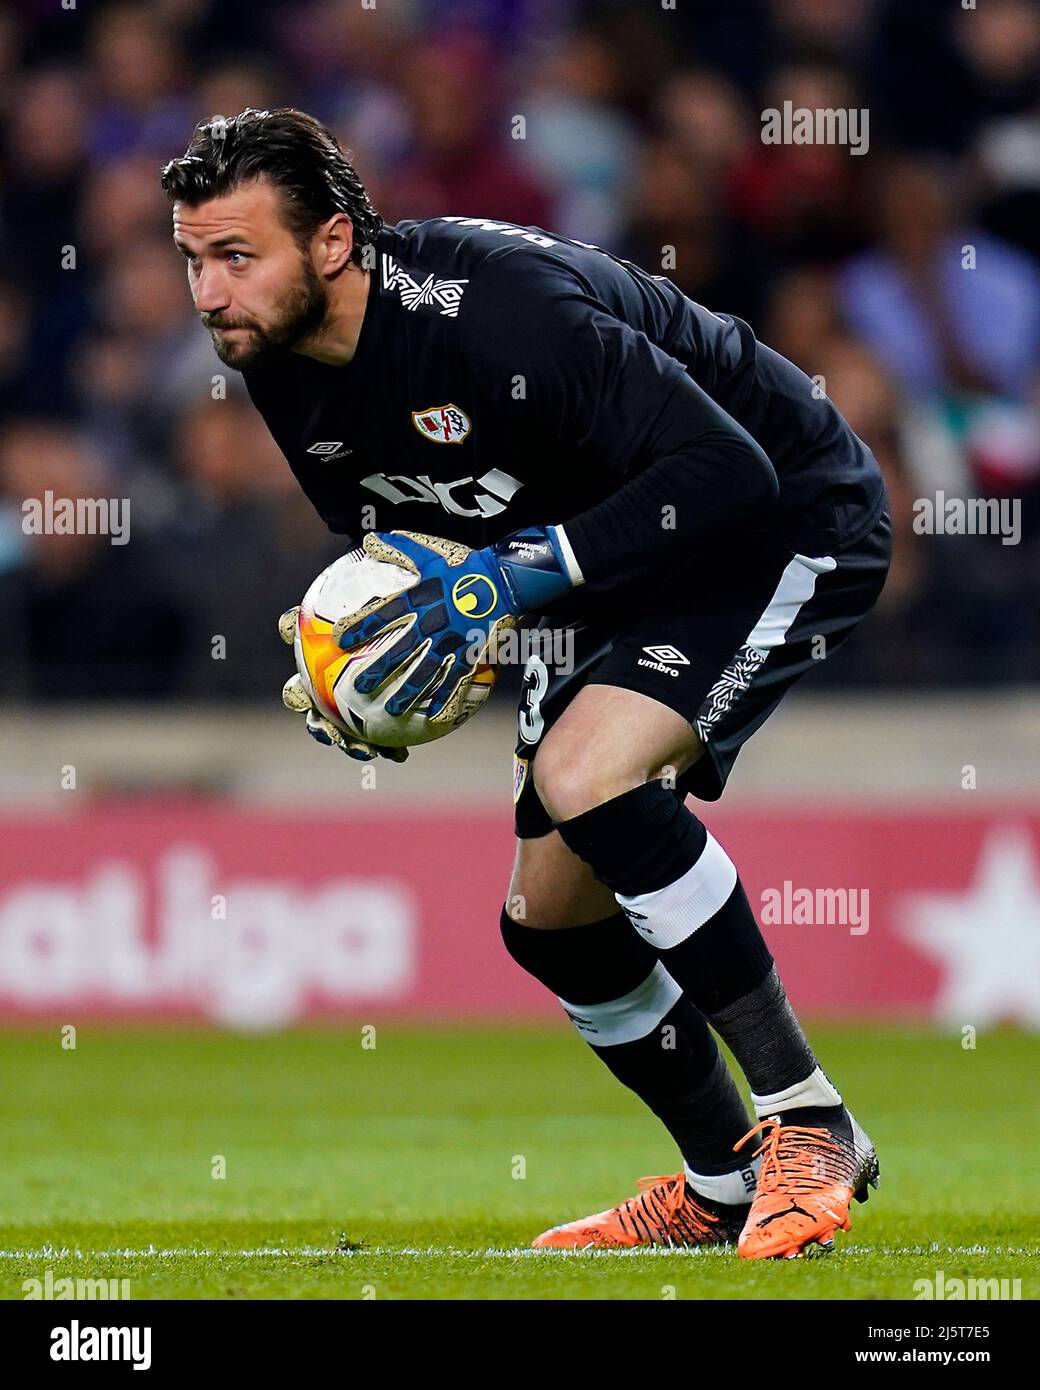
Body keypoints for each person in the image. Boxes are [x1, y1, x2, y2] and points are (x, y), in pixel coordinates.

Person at [161, 107, 889, 1259]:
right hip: (607, 557)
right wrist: (362, 656)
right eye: (193, 258)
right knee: (548, 921)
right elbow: (414, 555)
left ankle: (809, 1123)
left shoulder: (496, 308)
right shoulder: (281, 361)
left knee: (588, 774)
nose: (207, 293)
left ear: (336, 244)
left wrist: (517, 575)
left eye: (235, 256)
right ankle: (719, 1185)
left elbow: (723, 469)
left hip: (777, 515)